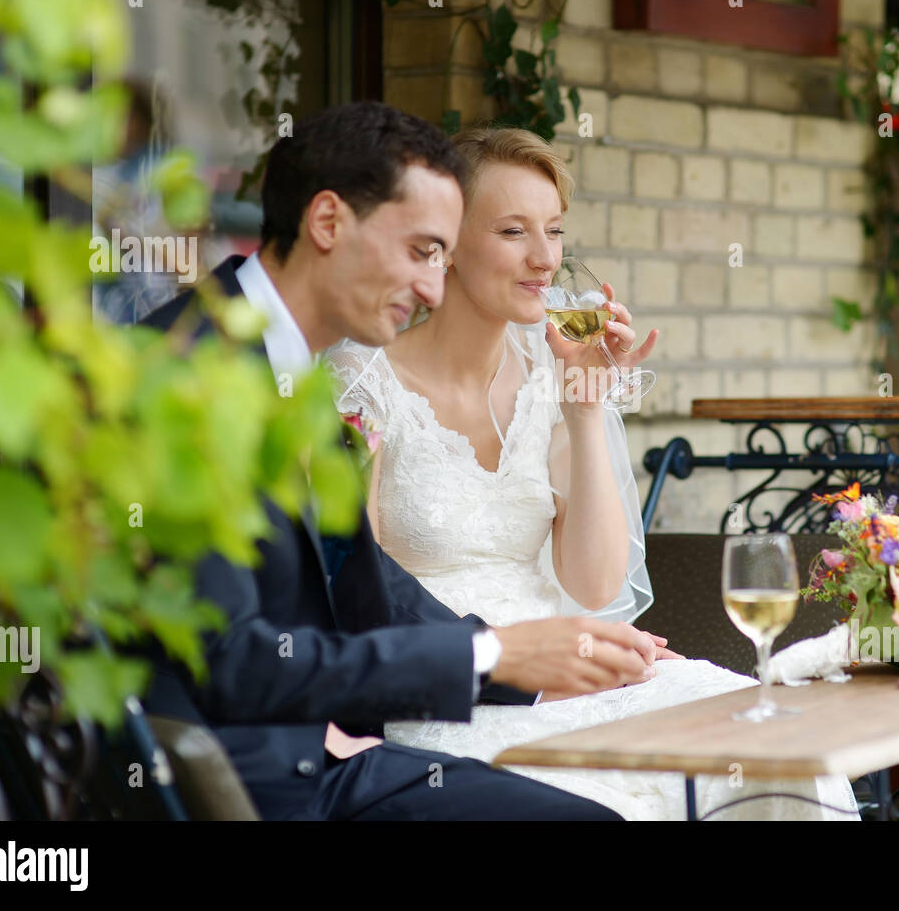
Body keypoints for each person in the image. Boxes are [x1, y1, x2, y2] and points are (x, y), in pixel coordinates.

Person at [139, 101, 669, 820]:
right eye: (421, 250)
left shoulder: (282, 363)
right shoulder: (192, 374)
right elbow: (231, 657)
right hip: (242, 785)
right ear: (328, 223)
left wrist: (526, 662)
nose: (431, 284)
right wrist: (485, 659)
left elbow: (365, 579)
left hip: (316, 756)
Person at [328, 126, 860, 821]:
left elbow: (594, 584)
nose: (545, 258)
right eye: (514, 230)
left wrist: (585, 407)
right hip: (454, 694)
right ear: (447, 244)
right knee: (613, 804)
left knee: (783, 753)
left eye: (554, 230)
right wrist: (528, 673)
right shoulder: (362, 380)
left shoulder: (550, 370)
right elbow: (354, 598)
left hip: (580, 665)